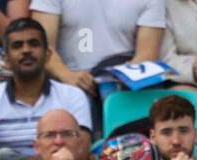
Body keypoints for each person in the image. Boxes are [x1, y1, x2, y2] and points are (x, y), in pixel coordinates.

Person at [0, 18, 91, 160]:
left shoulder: (72, 95)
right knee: (3, 159)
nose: (26, 50)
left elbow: (79, 152)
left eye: (33, 44)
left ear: (47, 55)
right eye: (17, 46)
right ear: (5, 60)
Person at [29, 0, 164, 97]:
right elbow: (42, 46)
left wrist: (118, 81)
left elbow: (147, 54)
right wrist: (67, 75)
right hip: (68, 84)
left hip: (122, 83)